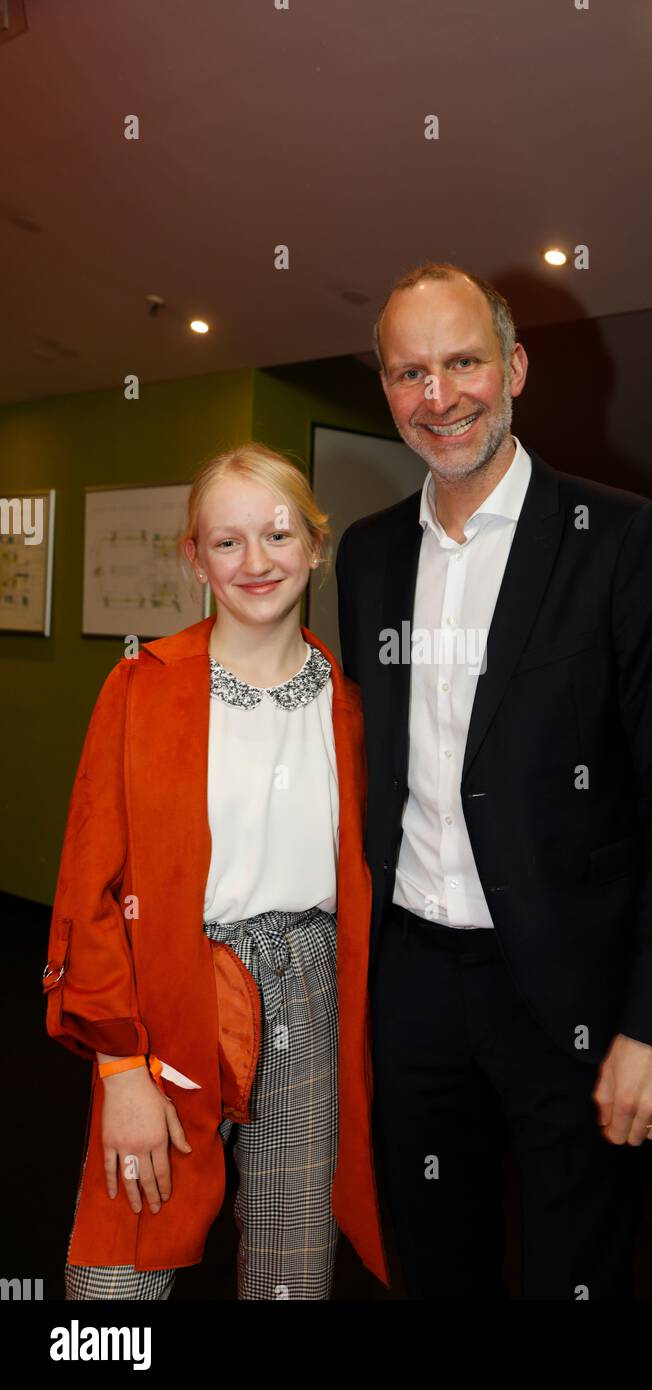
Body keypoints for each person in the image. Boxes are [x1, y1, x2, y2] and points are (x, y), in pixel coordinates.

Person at [335, 262, 652, 1300]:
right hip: (411, 983)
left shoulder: (619, 538)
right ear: (385, 389)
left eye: (462, 361)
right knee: (432, 1256)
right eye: (409, 371)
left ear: (514, 366)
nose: (438, 395)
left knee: (572, 1268)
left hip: (570, 988)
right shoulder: (366, 559)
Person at [43, 443, 388, 1299]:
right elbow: (87, 890)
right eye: (225, 542)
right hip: (173, 997)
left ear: (315, 545)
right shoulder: (140, 688)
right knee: (120, 1272)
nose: (255, 562)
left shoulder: (350, 706)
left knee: (290, 1270)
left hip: (309, 994)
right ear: (194, 557)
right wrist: (120, 1069)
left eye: (277, 535)